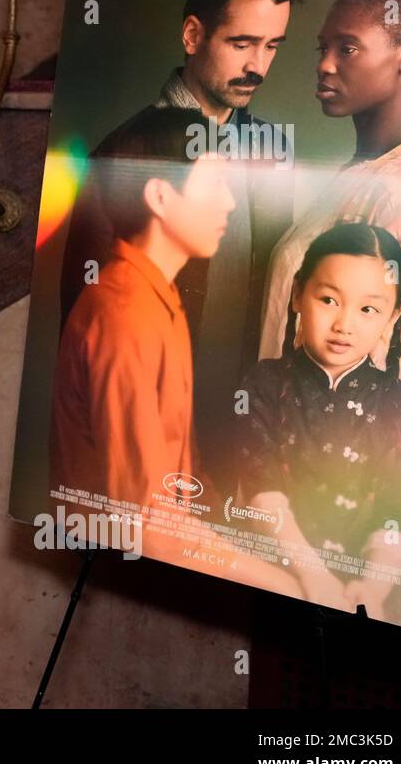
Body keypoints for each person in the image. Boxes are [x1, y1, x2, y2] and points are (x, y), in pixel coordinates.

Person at [61, 0, 309, 479]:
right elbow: (91, 327)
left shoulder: (268, 150)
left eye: (272, 46)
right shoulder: (123, 154)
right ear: (193, 35)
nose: (257, 66)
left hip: (239, 434)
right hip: (143, 443)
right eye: (241, 43)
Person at [50, 107, 302, 595]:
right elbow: (145, 524)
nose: (230, 204)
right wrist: (291, 586)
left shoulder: (159, 297)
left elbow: (174, 478)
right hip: (117, 571)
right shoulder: (124, 314)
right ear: (161, 196)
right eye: (215, 186)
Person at [259, 0, 401, 477]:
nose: (323, 64)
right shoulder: (364, 175)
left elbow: (390, 381)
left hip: (335, 500)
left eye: (348, 48)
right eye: (323, 47)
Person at [233, 223, 401, 623]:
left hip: (367, 602)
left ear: (393, 317)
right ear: (296, 295)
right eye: (328, 299)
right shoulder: (263, 383)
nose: (345, 323)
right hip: (274, 579)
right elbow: (261, 485)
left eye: (368, 309)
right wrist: (313, 575)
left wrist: (373, 587)